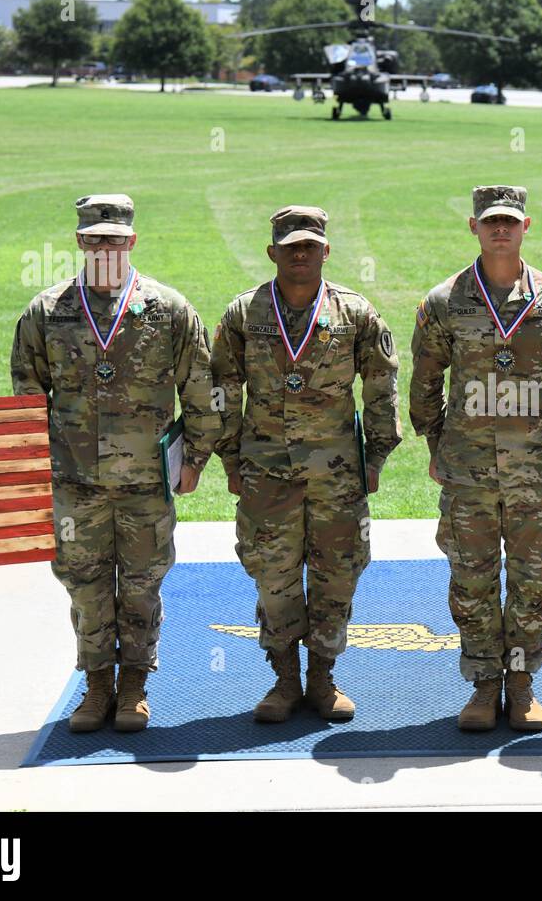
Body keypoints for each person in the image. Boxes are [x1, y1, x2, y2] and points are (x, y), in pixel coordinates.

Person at [10, 193, 219, 732]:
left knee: (143, 583)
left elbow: (200, 388)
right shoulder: (48, 311)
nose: (105, 245)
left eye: (115, 237)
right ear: (80, 240)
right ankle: (96, 684)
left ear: (133, 240)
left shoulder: (168, 309)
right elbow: (26, 397)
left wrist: (194, 457)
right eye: (94, 237)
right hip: (74, 481)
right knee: (84, 583)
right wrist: (35, 468)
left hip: (146, 481)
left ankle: (134, 686)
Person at [410, 185, 542, 732]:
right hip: (467, 469)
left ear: (526, 226)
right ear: (473, 226)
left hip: (535, 469)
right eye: (490, 221)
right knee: (472, 578)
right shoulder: (445, 301)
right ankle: (484, 685)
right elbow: (424, 382)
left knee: (533, 579)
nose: (500, 230)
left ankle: (522, 682)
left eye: (509, 222)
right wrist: (436, 443)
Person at [211, 206, 401, 723]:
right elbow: (223, 391)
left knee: (337, 575)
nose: (300, 254)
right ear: (272, 252)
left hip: (337, 475)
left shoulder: (354, 313)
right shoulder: (244, 315)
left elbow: (381, 385)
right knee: (274, 576)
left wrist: (377, 455)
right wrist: (229, 459)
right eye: (290, 246)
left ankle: (322, 676)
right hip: (265, 472)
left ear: (325, 251)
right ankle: (285, 680)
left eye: (309, 246)